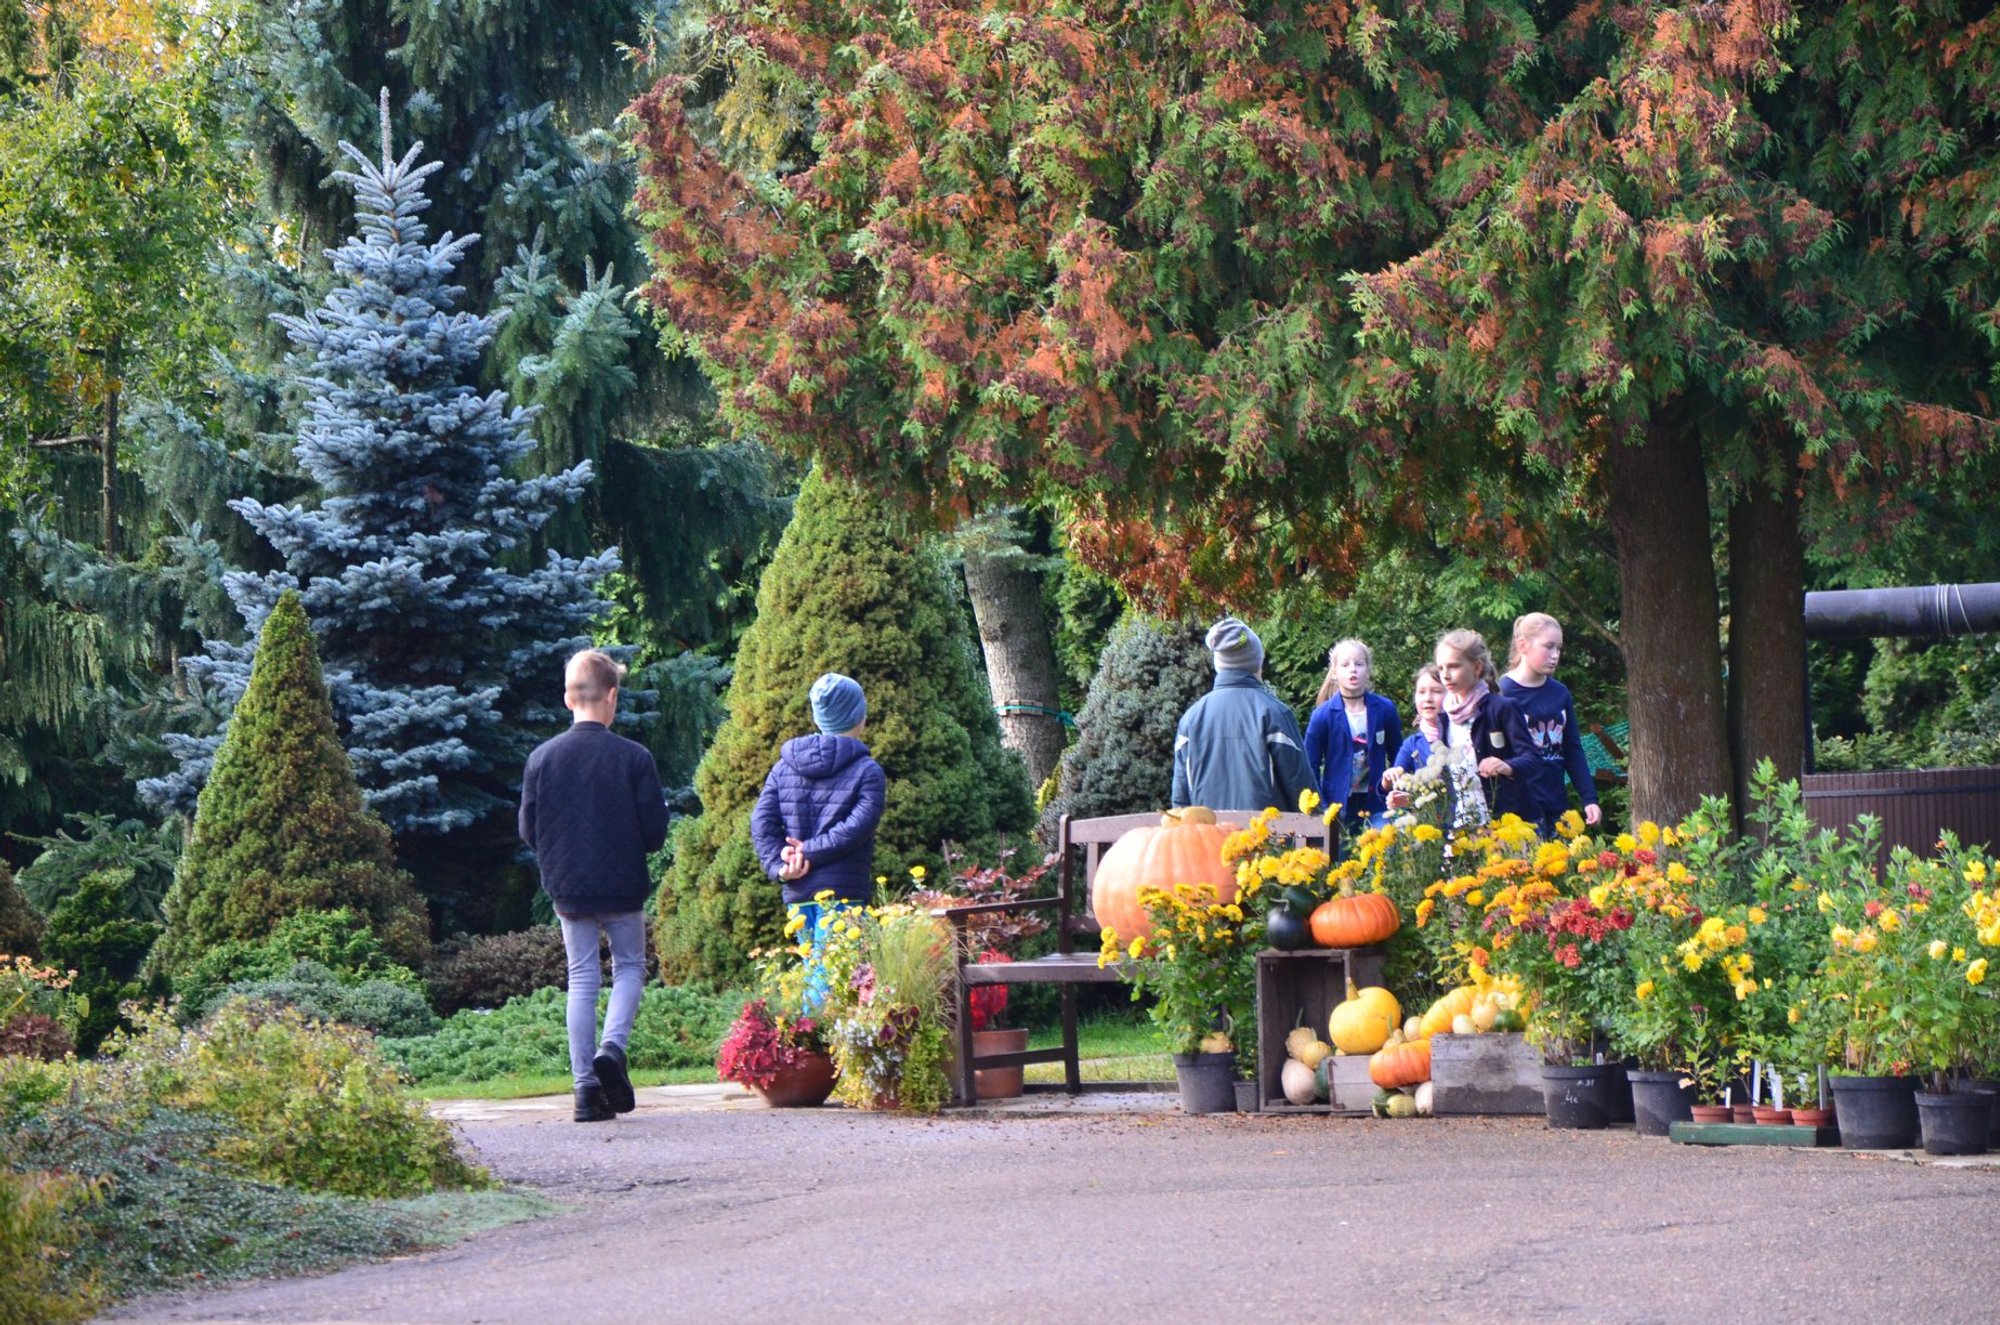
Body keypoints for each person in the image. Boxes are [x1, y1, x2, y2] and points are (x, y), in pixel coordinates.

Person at [518, 649, 671, 1123]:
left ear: (568, 698)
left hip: (567, 887)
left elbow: (528, 829)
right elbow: (655, 833)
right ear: (612, 697)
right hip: (623, 885)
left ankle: (585, 1089)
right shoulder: (634, 758)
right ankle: (612, 1050)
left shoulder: (542, 759)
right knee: (629, 967)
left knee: (581, 978)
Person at [750, 672, 886, 1012]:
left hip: (798, 893)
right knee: (835, 982)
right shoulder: (868, 771)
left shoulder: (784, 768)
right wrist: (806, 851)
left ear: (816, 717)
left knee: (818, 972)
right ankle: (817, 1047)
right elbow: (857, 828)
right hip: (844, 893)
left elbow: (761, 822)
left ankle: (818, 1051)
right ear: (861, 718)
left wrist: (782, 866)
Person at [1171, 617, 1316, 816]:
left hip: (1207, 840)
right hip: (1266, 840)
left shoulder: (1190, 719)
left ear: (1218, 664)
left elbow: (1180, 802)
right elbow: (1304, 794)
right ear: (1257, 662)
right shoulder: (1275, 713)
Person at [1497, 612, 1603, 837]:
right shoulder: (1502, 693)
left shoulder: (1560, 693)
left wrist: (1589, 798)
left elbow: (1572, 749)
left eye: (1559, 648)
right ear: (1523, 645)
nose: (1555, 655)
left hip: (1556, 807)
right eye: (1548, 646)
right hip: (1519, 813)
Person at [1432, 629, 1537, 832]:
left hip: (1506, 821)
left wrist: (1506, 766)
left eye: (1453, 666)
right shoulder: (1444, 716)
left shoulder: (1502, 708)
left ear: (1477, 667)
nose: (1445, 675)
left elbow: (1532, 759)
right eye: (1441, 668)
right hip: (1463, 821)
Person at [1303, 638, 1402, 842]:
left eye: (1359, 664)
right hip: (1338, 806)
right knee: (1342, 865)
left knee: (1383, 853)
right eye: (1345, 665)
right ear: (1334, 673)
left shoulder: (1385, 709)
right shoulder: (1323, 716)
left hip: (1377, 802)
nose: (1353, 670)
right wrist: (1322, 806)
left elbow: (1398, 757)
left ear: (1368, 669)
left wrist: (1397, 792)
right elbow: (1309, 766)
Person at [1386, 662, 1447, 791]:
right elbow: (1395, 783)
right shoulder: (1412, 744)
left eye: (1436, 691)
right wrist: (1389, 778)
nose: (1428, 698)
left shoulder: (1462, 735)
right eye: (1421, 692)